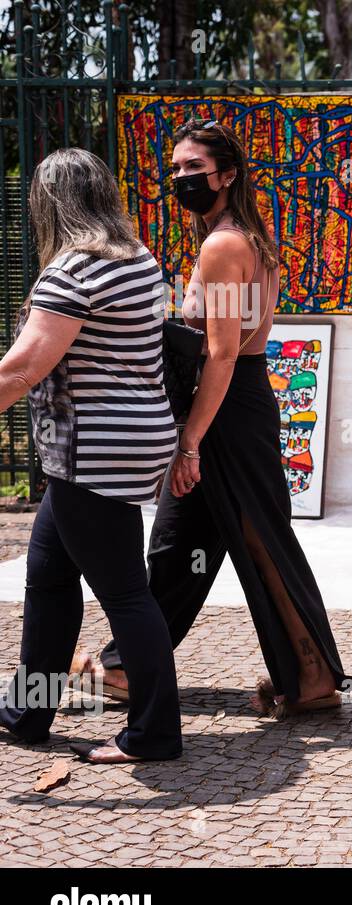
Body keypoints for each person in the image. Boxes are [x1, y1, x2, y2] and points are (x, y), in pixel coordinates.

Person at [71, 119, 352, 718]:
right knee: (190, 545)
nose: (181, 179)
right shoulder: (248, 235)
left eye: (194, 169)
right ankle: (131, 665)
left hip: (223, 409)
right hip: (238, 402)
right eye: (175, 169)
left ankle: (309, 677)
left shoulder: (223, 245)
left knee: (252, 538)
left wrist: (191, 442)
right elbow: (232, 338)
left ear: (227, 175)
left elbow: (224, 350)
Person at [0, 148, 181, 763]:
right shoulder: (139, 260)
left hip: (90, 450)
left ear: (48, 205)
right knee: (49, 578)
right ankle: (27, 712)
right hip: (132, 439)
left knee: (127, 593)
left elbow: (24, 367)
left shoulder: (72, 272)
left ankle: (154, 734)